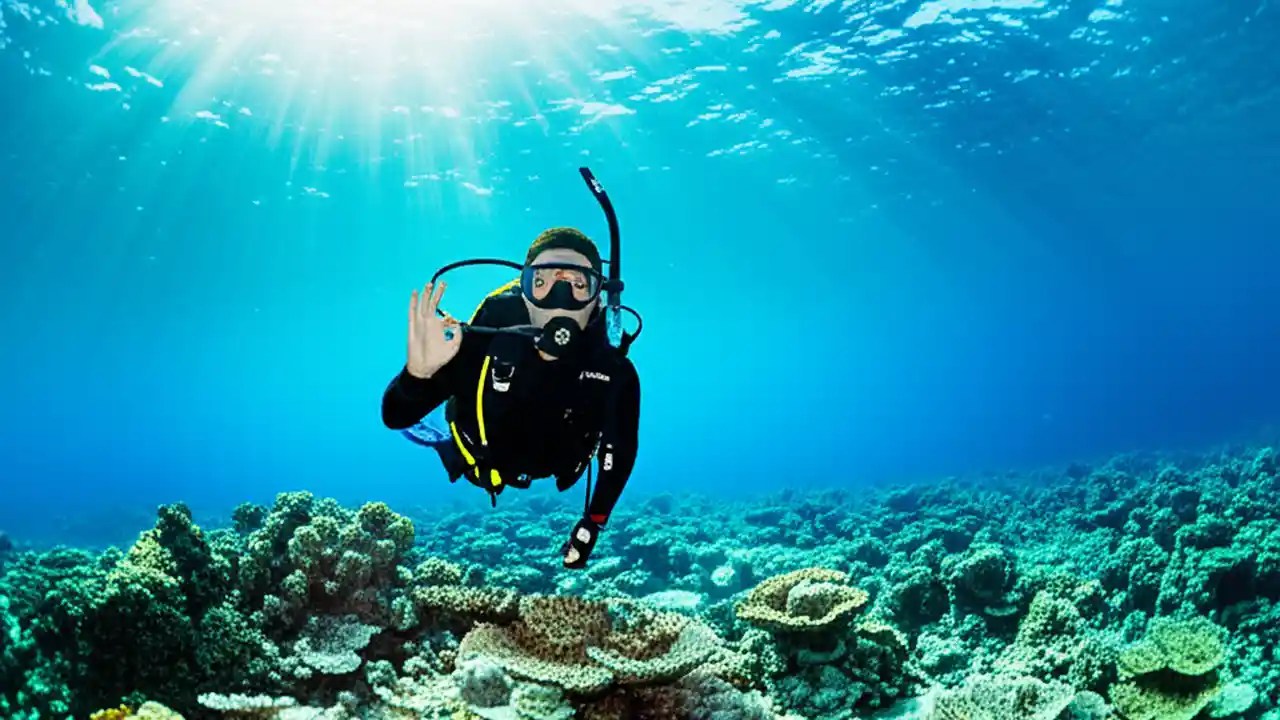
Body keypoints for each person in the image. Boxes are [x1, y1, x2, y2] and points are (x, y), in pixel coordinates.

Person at [380, 227, 640, 569]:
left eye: (579, 284)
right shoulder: (482, 342)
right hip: (482, 462)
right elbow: (395, 416)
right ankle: (442, 443)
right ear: (524, 290)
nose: (560, 299)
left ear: (598, 297)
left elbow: (619, 452)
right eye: (543, 282)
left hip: (561, 463)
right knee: (457, 452)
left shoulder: (613, 370)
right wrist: (417, 376)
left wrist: (593, 523)